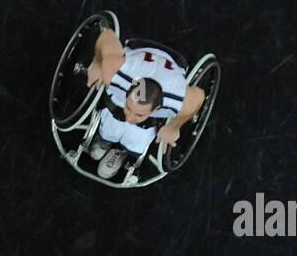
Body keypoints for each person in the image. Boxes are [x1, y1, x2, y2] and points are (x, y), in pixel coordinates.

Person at [83, 30, 207, 179]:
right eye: (129, 108)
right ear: (128, 91)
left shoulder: (176, 98)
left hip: (171, 66)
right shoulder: (114, 71)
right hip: (138, 55)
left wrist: (172, 128)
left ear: (156, 108)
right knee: (112, 117)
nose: (129, 117)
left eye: (139, 114)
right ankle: (106, 138)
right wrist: (97, 62)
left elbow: (199, 97)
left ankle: (123, 150)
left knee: (138, 138)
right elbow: (107, 35)